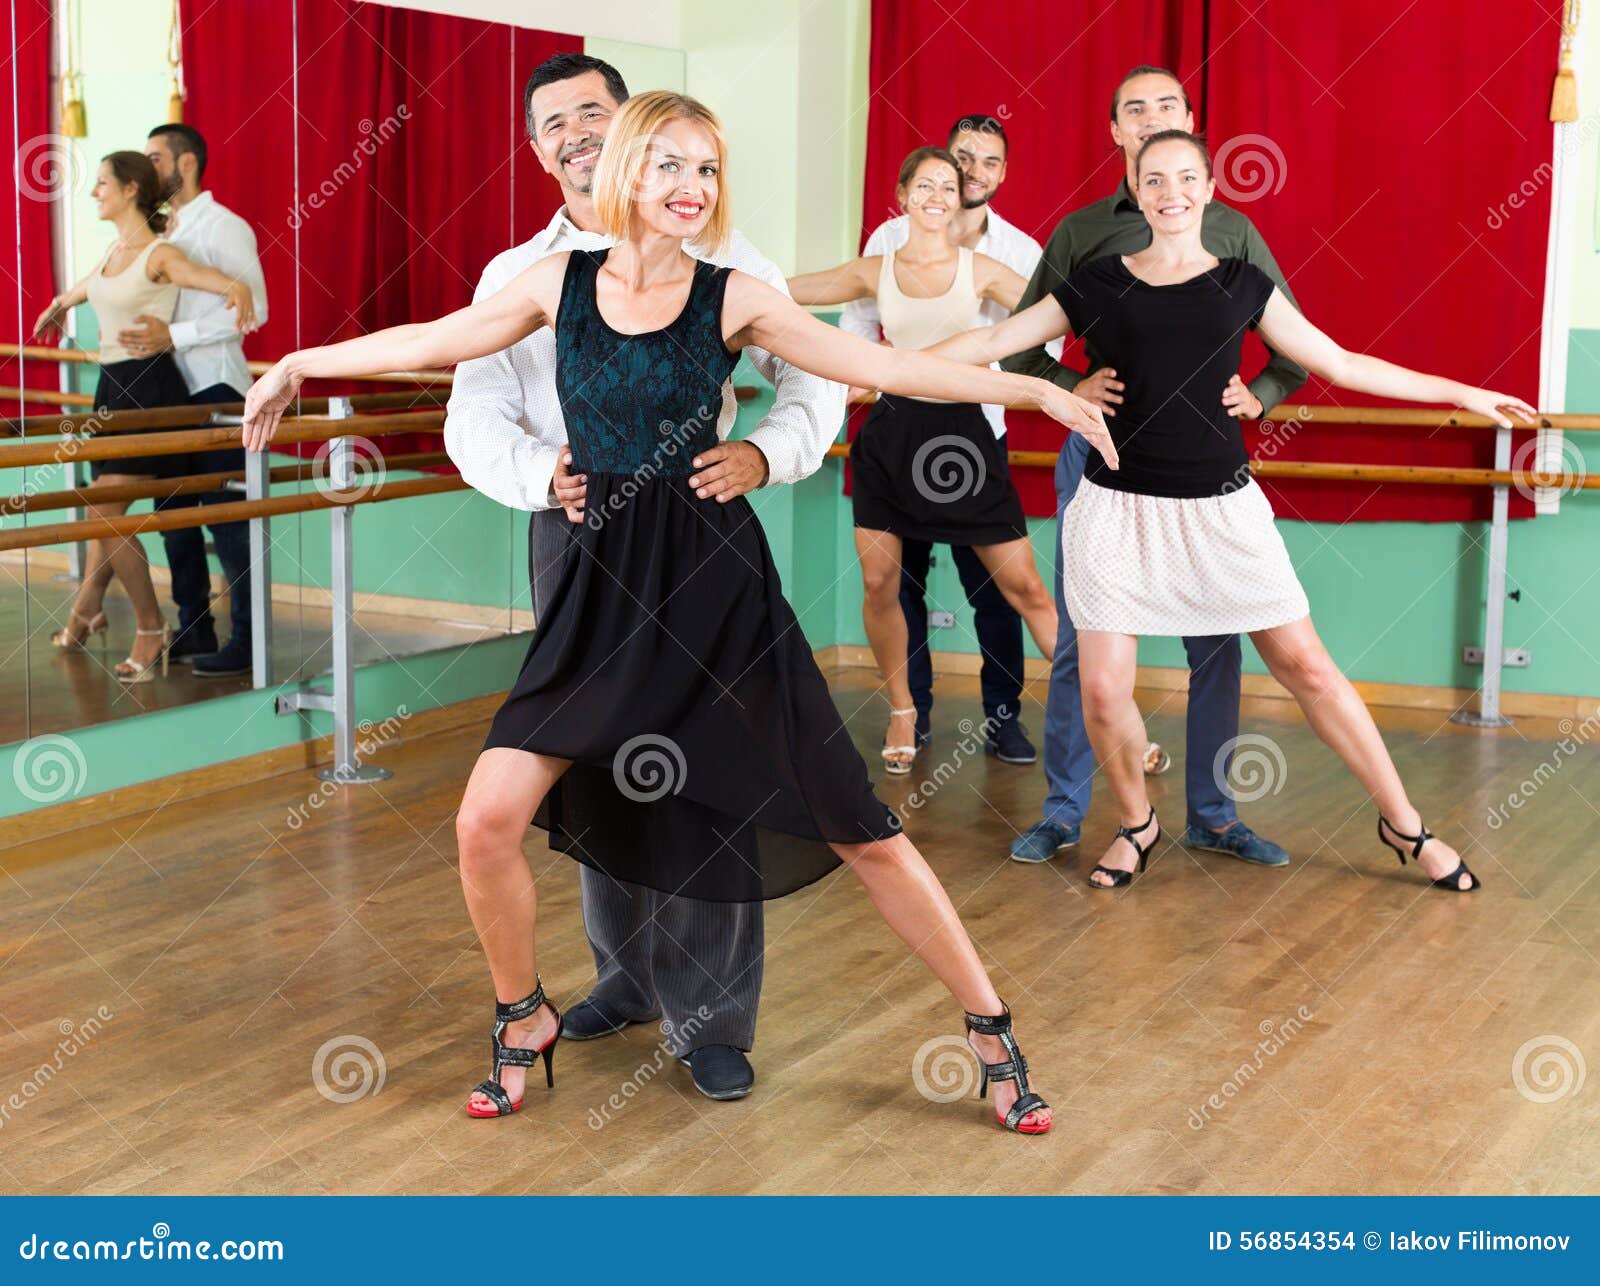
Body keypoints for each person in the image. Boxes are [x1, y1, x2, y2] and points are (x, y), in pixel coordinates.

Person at [244, 90, 1118, 1134]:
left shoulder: (736, 294)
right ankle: (524, 1014)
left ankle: (989, 1027)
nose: (688, 187)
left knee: (860, 829)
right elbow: (440, 337)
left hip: (713, 586)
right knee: (485, 818)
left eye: (704, 168)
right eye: (666, 164)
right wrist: (300, 361)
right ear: (620, 171)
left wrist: (1038, 394)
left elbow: (880, 363)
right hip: (597, 587)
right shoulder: (552, 282)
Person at [930, 129, 1531, 892]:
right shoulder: (1097, 278)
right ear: (1137, 190)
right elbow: (993, 339)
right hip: (1116, 509)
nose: (1171, 191)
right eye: (1155, 179)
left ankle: (1404, 822)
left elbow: (1340, 361)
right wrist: (875, 367)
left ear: (1210, 190)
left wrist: (1462, 392)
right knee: (1104, 687)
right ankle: (1138, 824)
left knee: (1306, 666)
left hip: (1220, 509)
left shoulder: (1243, 283)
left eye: (1187, 178)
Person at [443, 52, 844, 1103]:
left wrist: (768, 452)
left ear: (628, 125)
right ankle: (623, 979)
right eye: (555, 122)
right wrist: (544, 474)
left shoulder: (716, 245)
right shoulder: (516, 272)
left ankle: (713, 1016)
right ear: (537, 150)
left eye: (593, 111)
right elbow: (471, 410)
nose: (576, 131)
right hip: (573, 534)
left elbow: (818, 371)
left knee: (708, 763)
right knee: (591, 764)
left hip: (694, 532)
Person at [1001, 65, 1304, 869]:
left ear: (1192, 127)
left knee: (1219, 641)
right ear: (1116, 136)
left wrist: (1261, 395)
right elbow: (1025, 346)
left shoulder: (1231, 232)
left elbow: (1297, 350)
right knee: (1082, 644)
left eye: (1165, 106)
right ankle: (1067, 810)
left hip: (1205, 470)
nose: (1148, 118)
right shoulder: (1081, 233)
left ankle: (1214, 813)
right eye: (1133, 109)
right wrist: (1074, 384)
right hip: (1100, 460)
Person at [789, 146, 1057, 775]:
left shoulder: (984, 269)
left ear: (960, 197)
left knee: (1024, 588)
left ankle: (1102, 713)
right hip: (890, 437)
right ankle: (904, 710)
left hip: (965, 436)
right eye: (925, 184)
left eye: (948, 184)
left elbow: (1057, 311)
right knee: (882, 583)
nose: (938, 193)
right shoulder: (872, 269)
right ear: (903, 195)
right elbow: (785, 293)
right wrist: (707, 280)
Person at [32, 150, 257, 684]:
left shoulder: (161, 253)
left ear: (131, 189)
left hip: (152, 392)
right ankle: (88, 611)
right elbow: (90, 287)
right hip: (113, 390)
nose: (94, 193)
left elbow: (212, 279)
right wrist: (60, 303)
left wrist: (238, 288)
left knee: (104, 511)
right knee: (104, 512)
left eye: (102, 183)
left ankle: (149, 627)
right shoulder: (114, 251)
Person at [130, 122, 269, 679]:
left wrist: (175, 336)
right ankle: (192, 628)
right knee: (172, 513)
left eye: (155, 158)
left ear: (186, 163)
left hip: (215, 387)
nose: (147, 170)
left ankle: (247, 641)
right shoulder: (155, 229)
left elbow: (253, 307)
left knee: (229, 521)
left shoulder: (225, 225)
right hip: (163, 389)